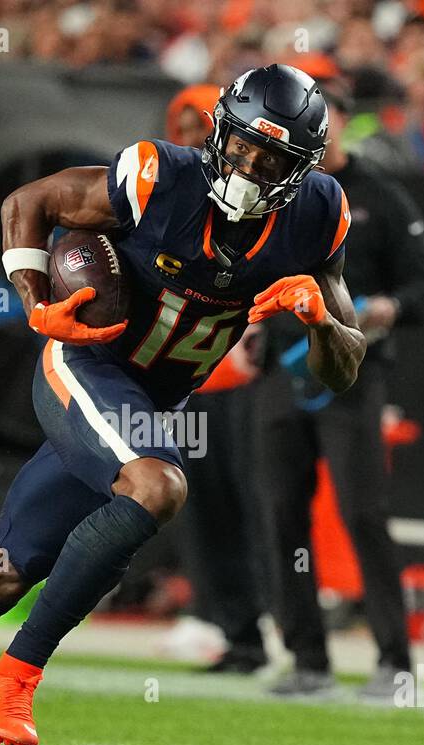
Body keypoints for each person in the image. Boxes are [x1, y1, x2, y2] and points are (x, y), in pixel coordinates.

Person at [0, 65, 367, 745]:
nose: (249, 166)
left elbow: (342, 368)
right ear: (221, 132)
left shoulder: (320, 214)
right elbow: (30, 200)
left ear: (303, 170)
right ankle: (14, 679)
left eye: (272, 159)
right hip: (86, 368)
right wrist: (34, 298)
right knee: (157, 485)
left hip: (143, 404)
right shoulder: (157, 177)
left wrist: (320, 318)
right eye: (243, 147)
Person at [255, 72, 424, 699]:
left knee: (364, 514)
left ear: (339, 119)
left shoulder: (381, 198)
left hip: (350, 378)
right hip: (281, 373)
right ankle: (308, 657)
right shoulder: (271, 190)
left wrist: (388, 307)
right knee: (283, 515)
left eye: (327, 111)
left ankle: (395, 659)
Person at [161, 82, 269, 674]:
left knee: (243, 507)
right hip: (185, 382)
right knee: (198, 512)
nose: (186, 142)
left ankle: (256, 622)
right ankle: (226, 623)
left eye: (196, 129)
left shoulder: (259, 206)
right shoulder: (168, 199)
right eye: (178, 130)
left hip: (237, 381)